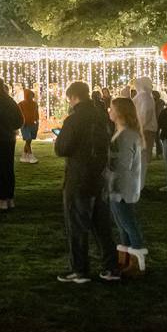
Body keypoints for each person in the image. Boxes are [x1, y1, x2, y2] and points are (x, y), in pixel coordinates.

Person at [55, 81, 121, 284]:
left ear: (73, 97)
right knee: (102, 225)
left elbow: (62, 148)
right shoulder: (101, 116)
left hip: (79, 175)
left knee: (76, 224)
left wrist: (60, 140)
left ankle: (79, 269)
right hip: (99, 175)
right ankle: (111, 266)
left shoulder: (73, 120)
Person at [107, 97, 148, 272]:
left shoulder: (126, 134)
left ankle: (137, 261)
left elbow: (123, 164)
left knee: (128, 223)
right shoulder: (123, 131)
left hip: (121, 186)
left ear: (120, 112)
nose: (109, 111)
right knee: (122, 224)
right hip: (119, 185)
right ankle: (125, 258)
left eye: (111, 108)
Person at [0, 78, 23, 211]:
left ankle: (2, 198)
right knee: (8, 167)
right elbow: (20, 120)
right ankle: (10, 198)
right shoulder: (10, 101)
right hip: (9, 138)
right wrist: (11, 128)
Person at [132, 77, 159, 176]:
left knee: (141, 154)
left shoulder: (141, 96)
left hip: (142, 128)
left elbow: (146, 113)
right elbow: (147, 113)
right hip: (146, 129)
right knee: (144, 155)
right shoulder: (146, 96)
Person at [18, 86, 40, 164]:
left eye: (31, 95)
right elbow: (19, 114)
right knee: (28, 139)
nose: (30, 96)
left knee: (29, 141)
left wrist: (37, 122)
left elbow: (36, 113)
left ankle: (24, 156)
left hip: (33, 124)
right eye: (28, 95)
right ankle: (31, 156)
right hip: (25, 124)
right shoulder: (21, 104)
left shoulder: (34, 104)